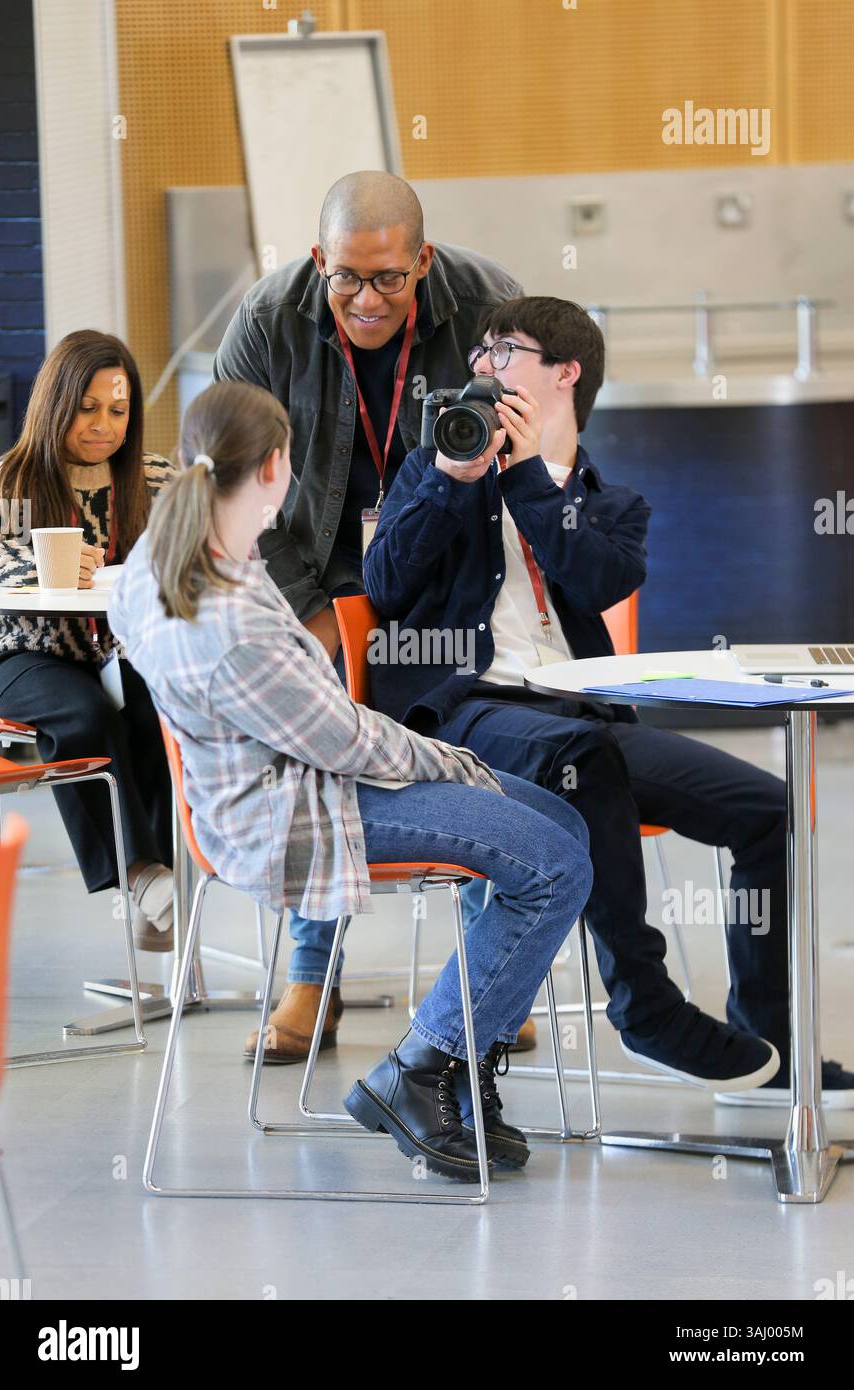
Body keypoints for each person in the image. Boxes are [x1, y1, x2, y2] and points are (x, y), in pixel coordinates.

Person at [108, 380, 594, 1180]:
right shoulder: (228, 624)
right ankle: (426, 1067)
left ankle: (461, 1074)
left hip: (298, 790)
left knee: (561, 830)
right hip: (297, 815)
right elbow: (342, 740)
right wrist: (455, 762)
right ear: (274, 468)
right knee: (555, 863)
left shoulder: (170, 564)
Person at [362, 294, 836, 1103]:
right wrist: (452, 481)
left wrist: (526, 481)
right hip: (467, 714)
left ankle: (771, 1045)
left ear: (566, 372)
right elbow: (384, 583)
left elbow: (599, 578)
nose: (480, 364)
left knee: (772, 810)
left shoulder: (612, 506)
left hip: (578, 717)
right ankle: (644, 1004)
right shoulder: (433, 465)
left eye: (503, 349)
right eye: (478, 350)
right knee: (585, 760)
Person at [215, 168, 543, 1058]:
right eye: (345, 278)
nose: (366, 299)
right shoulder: (266, 322)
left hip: (444, 555)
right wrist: (314, 614)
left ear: (423, 261)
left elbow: (540, 430)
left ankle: (492, 985)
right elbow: (237, 483)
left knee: (475, 735)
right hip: (312, 560)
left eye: (389, 279)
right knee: (317, 754)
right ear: (319, 259)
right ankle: (310, 984)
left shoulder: (487, 303)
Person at [0, 330, 176, 951]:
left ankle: (160, 878)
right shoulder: (11, 481)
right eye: (87, 409)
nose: (102, 426)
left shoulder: (152, 480)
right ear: (55, 404)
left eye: (118, 411)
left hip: (122, 652)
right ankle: (141, 874)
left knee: (165, 706)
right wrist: (42, 570)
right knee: (86, 714)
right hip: (23, 655)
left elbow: (200, 552)